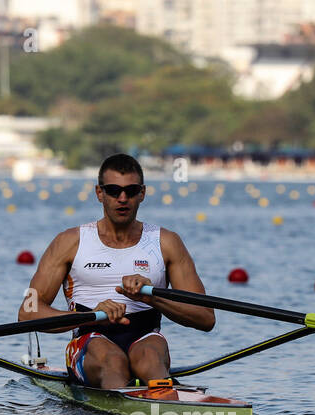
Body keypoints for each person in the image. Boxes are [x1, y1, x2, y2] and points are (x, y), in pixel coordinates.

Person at [18, 153, 215, 392]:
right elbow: (27, 313)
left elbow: (205, 317)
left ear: (142, 193)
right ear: (99, 193)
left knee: (150, 358)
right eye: (113, 190)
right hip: (89, 338)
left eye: (131, 191)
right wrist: (90, 314)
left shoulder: (166, 242)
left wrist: (151, 298)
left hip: (145, 337)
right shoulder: (69, 242)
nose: (123, 198)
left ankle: (163, 401)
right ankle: (129, 410)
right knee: (112, 361)